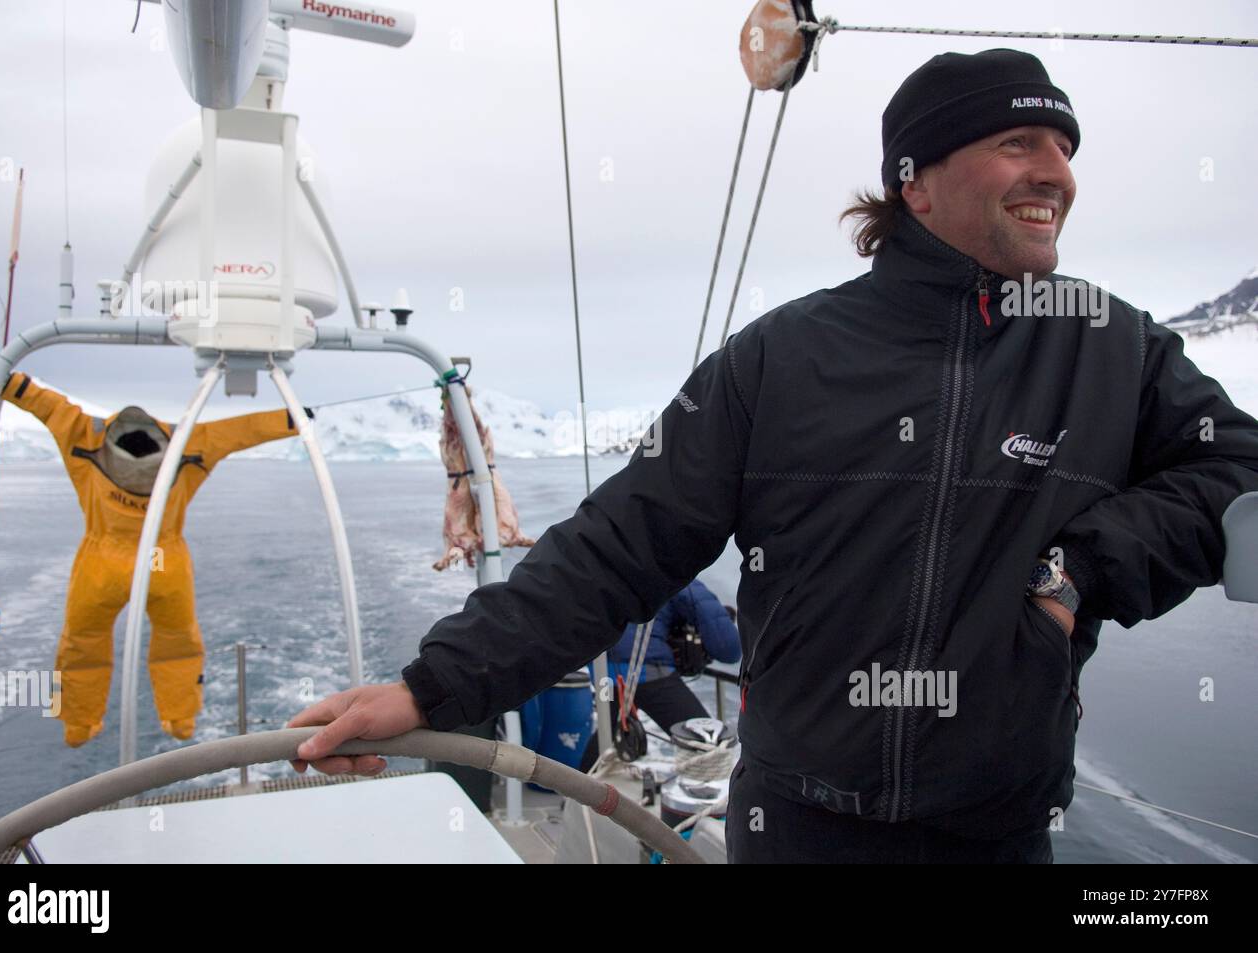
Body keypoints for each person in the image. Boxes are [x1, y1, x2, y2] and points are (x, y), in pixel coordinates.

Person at [288, 49, 1258, 863]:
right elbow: (623, 540)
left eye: (1064, 146)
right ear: (914, 180)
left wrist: (1082, 566)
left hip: (1001, 828)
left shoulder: (1109, 344)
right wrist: (431, 688)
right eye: (1018, 142)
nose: (1056, 171)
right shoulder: (783, 357)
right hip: (797, 821)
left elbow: (1238, 468)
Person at [2, 372, 303, 746]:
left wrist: (10, 383)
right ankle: (179, 718)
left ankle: (78, 723)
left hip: (102, 564)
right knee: (177, 642)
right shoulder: (187, 443)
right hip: (161, 560)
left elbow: (47, 405)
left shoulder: (83, 434)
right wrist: (292, 419)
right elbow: (239, 430)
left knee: (83, 641)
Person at [576, 579, 740, 772]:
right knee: (707, 744)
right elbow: (728, 648)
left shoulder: (603, 569)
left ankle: (576, 793)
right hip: (649, 673)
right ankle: (712, 793)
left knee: (607, 734)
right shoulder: (679, 576)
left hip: (603, 673)